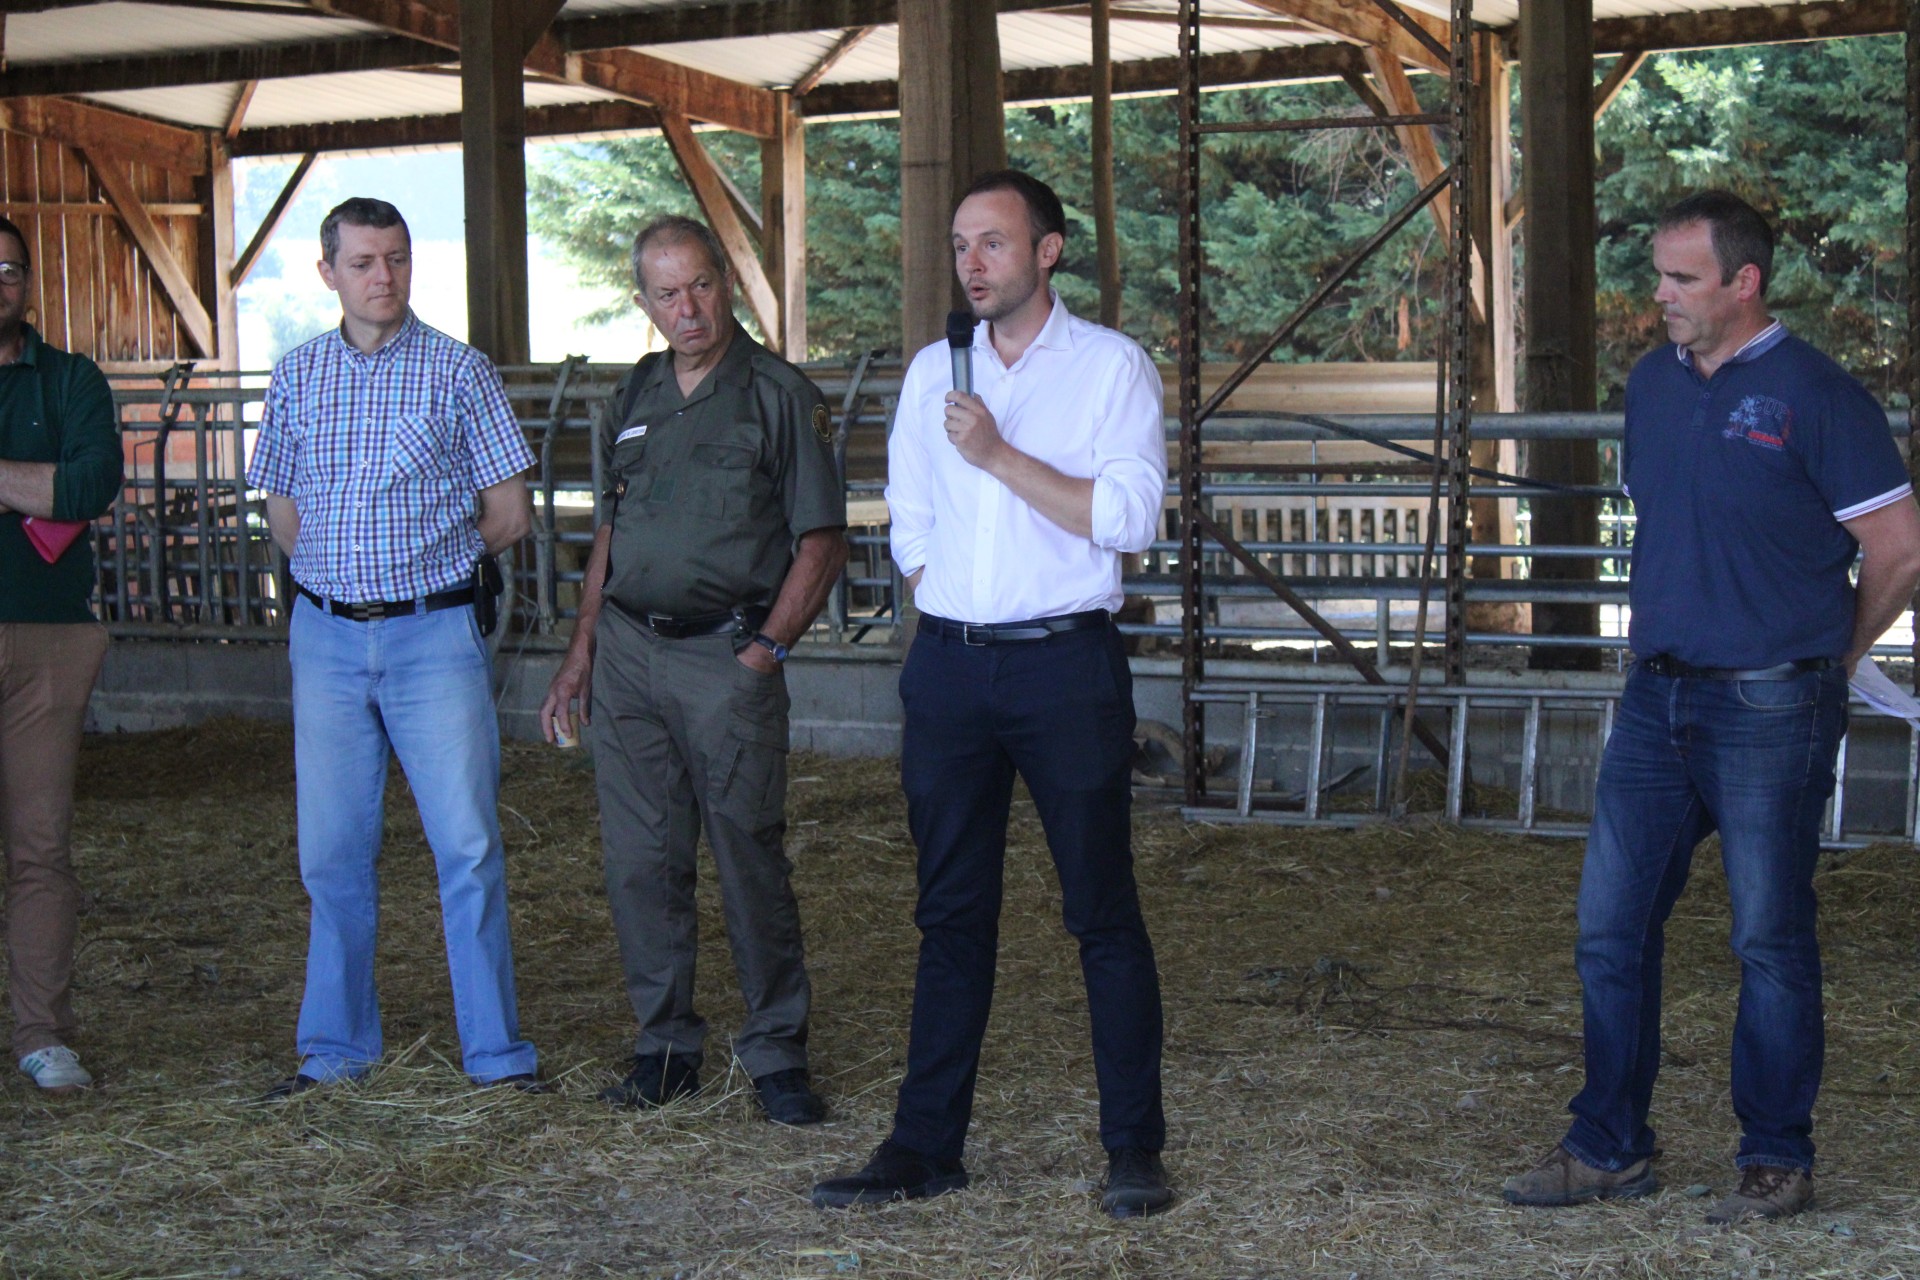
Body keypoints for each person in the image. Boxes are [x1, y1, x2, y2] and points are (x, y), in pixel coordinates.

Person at [1502, 191, 1920, 1224]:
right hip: (1657, 696)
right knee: (1609, 927)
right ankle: (1609, 1143)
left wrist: (1831, 654)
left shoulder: (1819, 395)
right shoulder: (1652, 384)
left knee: (1768, 934)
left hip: (1770, 702)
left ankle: (1776, 1155)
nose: (1660, 297)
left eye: (1683, 278)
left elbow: (1899, 547)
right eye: (1658, 275)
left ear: (1745, 282)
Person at [811, 171, 1172, 1218]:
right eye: (962, 244)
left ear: (1049, 252)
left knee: (1101, 909)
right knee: (950, 911)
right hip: (954, 666)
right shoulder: (935, 370)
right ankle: (925, 1145)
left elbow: (1127, 518)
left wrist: (1002, 455)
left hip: (1066, 663)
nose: (972, 263)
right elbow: (909, 509)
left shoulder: (1110, 368)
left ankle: (1133, 1146)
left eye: (995, 244)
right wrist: (938, 590)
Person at [538, 216, 847, 1125]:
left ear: (727, 283)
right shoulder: (633, 393)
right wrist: (582, 648)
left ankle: (777, 1049)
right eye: (666, 293)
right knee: (641, 860)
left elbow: (821, 541)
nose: (689, 308)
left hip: (726, 652)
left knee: (746, 852)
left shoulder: (778, 395)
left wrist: (765, 653)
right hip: (630, 651)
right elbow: (611, 531)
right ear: (644, 303)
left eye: (702, 286)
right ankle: (665, 1045)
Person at [247, 197, 541, 1097]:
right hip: (327, 636)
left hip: (431, 633)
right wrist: (349, 579)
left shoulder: (460, 373)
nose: (386, 277)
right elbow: (285, 514)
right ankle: (335, 1048)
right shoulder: (296, 377)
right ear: (328, 272)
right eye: (366, 261)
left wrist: (422, 567)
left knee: (469, 846)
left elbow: (508, 513)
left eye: (399, 259)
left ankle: (495, 1055)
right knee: (330, 851)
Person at [0, 215, 122, 1094]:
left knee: (40, 845)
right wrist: (24, 481)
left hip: (49, 632)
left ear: (28, 284)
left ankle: (43, 1034)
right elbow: (52, 484)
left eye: (9, 269)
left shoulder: (71, 378)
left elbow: (89, 485)